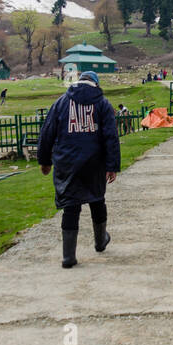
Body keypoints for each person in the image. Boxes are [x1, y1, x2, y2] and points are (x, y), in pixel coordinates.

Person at [37, 70, 121, 268]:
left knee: (71, 206)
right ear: (96, 84)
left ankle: (68, 256)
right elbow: (111, 137)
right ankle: (100, 241)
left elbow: (47, 132)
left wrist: (44, 161)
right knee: (97, 200)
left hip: (67, 163)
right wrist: (112, 166)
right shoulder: (103, 104)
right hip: (95, 163)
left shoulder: (61, 103)